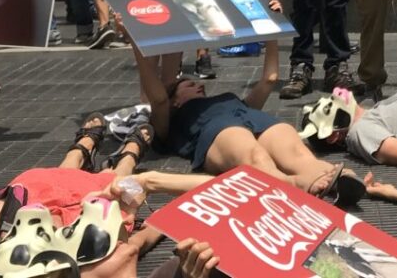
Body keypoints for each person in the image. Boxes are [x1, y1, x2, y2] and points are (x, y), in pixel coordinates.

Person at [126, 18, 364, 208]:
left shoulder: (230, 100)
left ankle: (328, 178)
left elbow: (269, 80)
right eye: (188, 85)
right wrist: (136, 43)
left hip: (250, 117)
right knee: (255, 156)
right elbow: (157, 98)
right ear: (174, 100)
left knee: (298, 154)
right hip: (216, 130)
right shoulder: (172, 119)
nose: (199, 85)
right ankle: (293, 187)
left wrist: (270, 28)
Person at [0, 112, 178, 277]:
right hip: (90, 219)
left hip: (36, 203)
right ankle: (127, 155)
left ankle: (83, 148)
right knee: (116, 183)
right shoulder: (106, 263)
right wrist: (172, 214)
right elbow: (137, 244)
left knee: (54, 179)